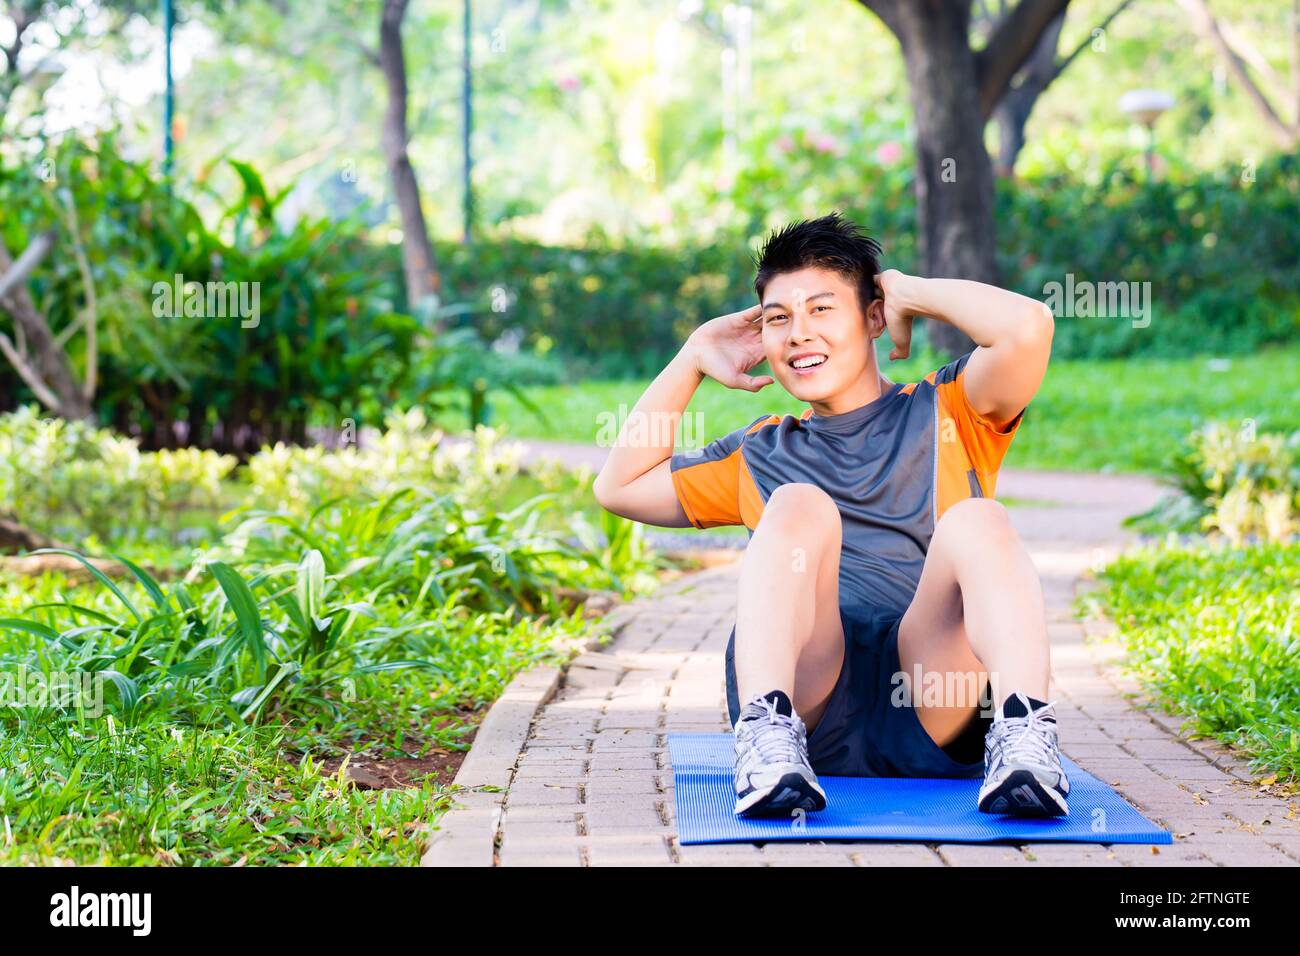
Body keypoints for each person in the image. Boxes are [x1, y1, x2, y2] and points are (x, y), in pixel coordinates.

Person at [593, 212, 1066, 819]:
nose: (797, 335)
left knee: (981, 520)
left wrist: (907, 291)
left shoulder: (951, 410)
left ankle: (1025, 734)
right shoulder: (758, 452)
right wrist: (691, 358)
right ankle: (764, 741)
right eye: (777, 319)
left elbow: (1029, 327)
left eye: (821, 309)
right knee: (797, 502)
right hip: (811, 699)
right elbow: (620, 486)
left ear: (872, 317)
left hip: (933, 692)